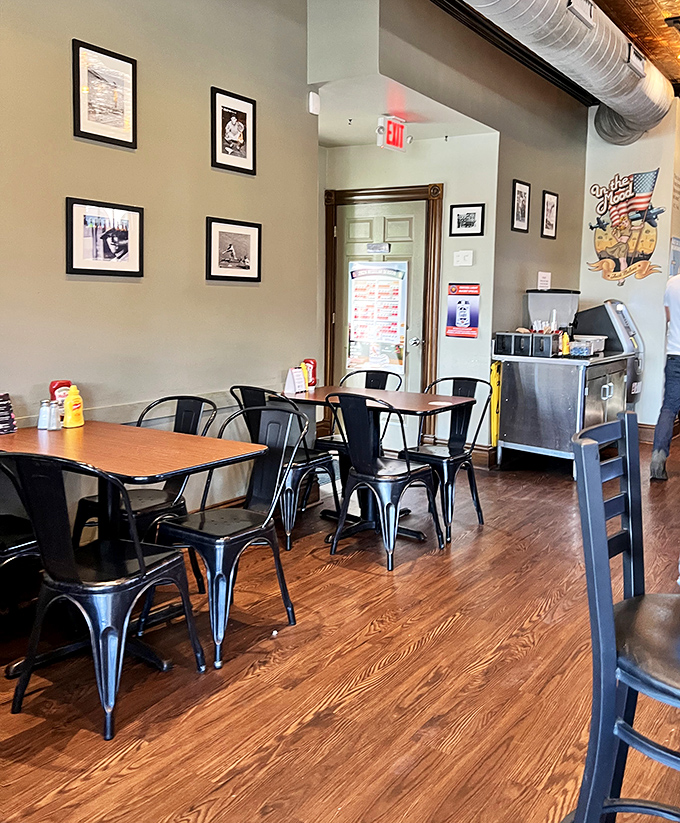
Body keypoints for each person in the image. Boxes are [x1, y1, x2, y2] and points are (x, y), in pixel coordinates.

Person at [650, 273, 680, 479]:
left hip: (675, 355)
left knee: (669, 408)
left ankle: (658, 459)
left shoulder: (672, 283)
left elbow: (668, 317)